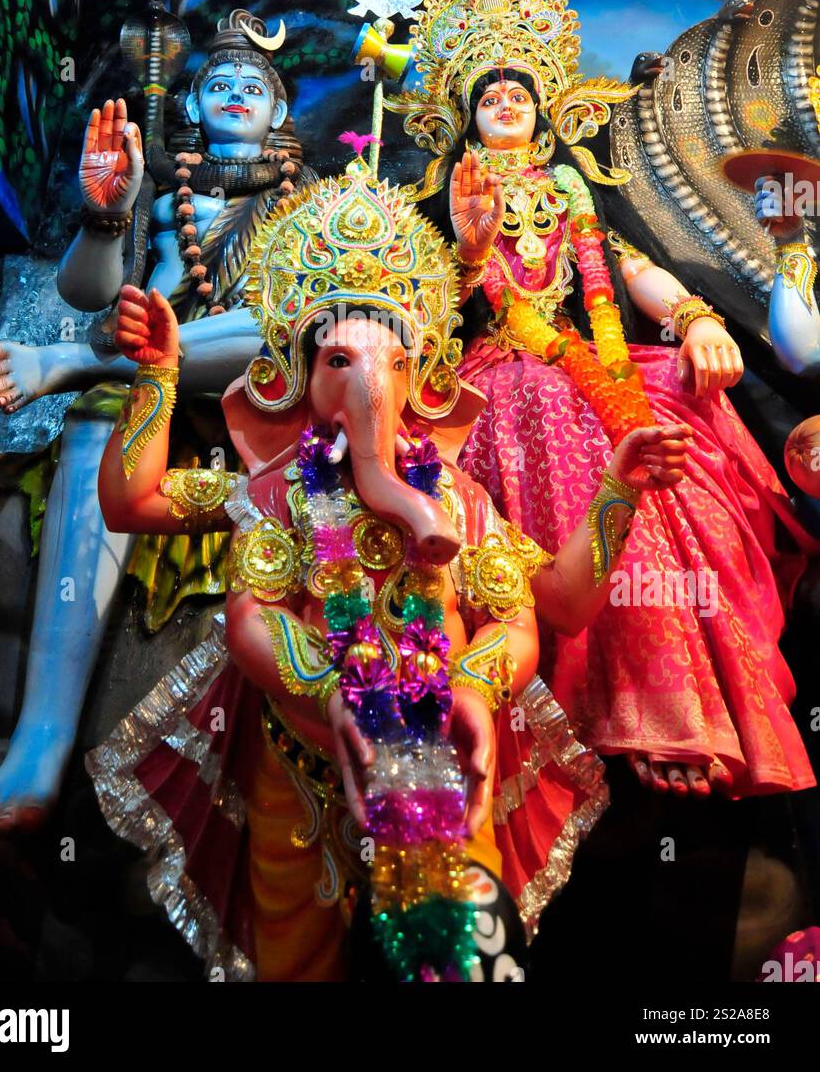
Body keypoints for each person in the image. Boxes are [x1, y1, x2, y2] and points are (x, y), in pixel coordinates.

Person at [88, 156, 689, 980]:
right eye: (340, 361)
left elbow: (556, 605)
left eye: (388, 363)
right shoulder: (270, 491)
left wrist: (617, 492)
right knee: (297, 962)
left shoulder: (461, 500)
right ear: (300, 375)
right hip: (296, 776)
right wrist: (158, 376)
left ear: (419, 376)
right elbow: (135, 505)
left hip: (440, 772)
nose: (369, 382)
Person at [388, 0, 817, 800]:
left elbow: (625, 270)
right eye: (488, 98)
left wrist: (693, 318)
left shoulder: (580, 188)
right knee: (560, 432)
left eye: (519, 95)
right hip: (501, 372)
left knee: (687, 461)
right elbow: (428, 315)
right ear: (464, 119)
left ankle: (703, 705)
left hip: (615, 364)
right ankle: (615, 706)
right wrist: (468, 253)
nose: (506, 106)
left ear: (547, 107)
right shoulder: (443, 201)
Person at [0, 12, 313, 832]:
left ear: (280, 115)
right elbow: (87, 294)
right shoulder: (164, 180)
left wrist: (96, 350)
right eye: (217, 83)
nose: (233, 93)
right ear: (192, 101)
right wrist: (106, 213)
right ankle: (41, 742)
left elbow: (300, 324)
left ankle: (73, 368)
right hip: (146, 376)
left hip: (241, 376)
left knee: (288, 323)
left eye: (252, 87)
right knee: (94, 425)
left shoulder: (314, 198)